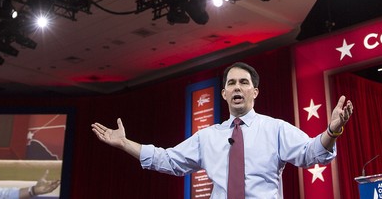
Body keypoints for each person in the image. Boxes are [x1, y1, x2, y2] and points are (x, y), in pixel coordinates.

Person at [92, 62, 354, 198]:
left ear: (255, 91)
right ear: (224, 94)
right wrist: (125, 143)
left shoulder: (275, 129)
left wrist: (331, 131)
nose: (237, 87)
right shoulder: (208, 136)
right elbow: (168, 160)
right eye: (231, 83)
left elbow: (312, 153)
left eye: (243, 82)